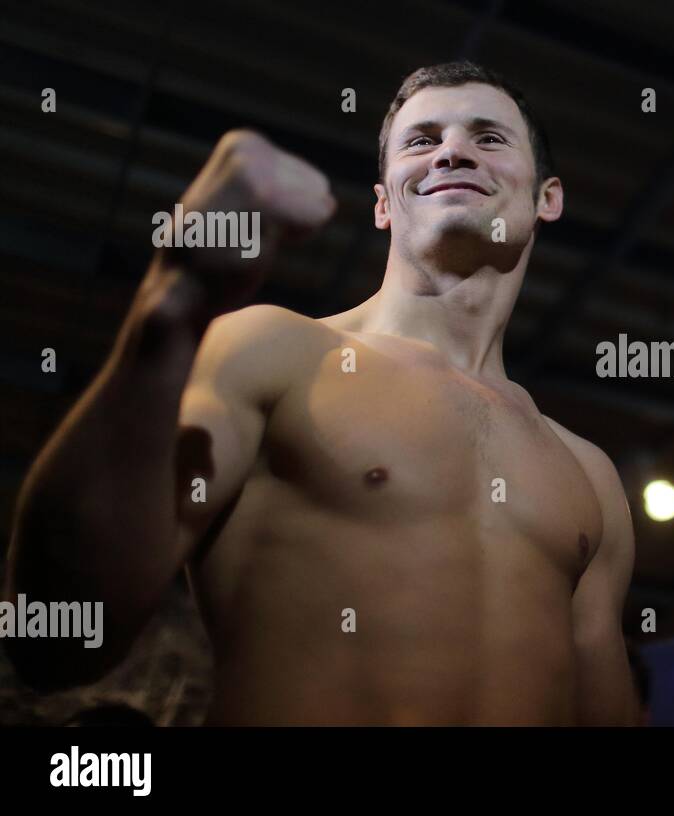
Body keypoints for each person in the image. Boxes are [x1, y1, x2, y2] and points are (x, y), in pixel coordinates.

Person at [4, 62, 638, 725]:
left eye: (488, 137)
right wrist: (170, 306)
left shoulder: (588, 475)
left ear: (548, 197)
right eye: (422, 140)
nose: (452, 150)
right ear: (384, 203)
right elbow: (53, 644)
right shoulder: (273, 352)